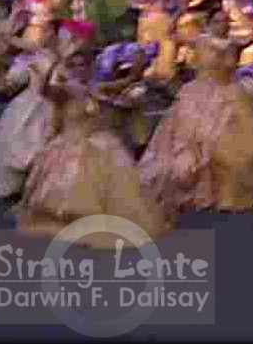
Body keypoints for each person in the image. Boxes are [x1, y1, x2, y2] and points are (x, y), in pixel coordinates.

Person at [17, 21, 170, 248]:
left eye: (84, 64)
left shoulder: (96, 88)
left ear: (89, 67)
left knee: (113, 185)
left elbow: (126, 82)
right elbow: (45, 90)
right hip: (69, 147)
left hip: (99, 146)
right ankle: (70, 219)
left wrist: (139, 64)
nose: (80, 68)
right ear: (68, 67)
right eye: (75, 64)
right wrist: (52, 62)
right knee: (72, 183)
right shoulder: (64, 91)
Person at [139, 6, 253, 215]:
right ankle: (199, 186)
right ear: (209, 23)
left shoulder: (233, 45)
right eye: (216, 20)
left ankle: (225, 190)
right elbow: (170, 34)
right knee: (196, 142)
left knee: (234, 143)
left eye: (224, 21)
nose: (222, 24)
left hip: (229, 95)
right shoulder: (200, 41)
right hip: (198, 97)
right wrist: (179, 9)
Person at [0, 30, 60, 199]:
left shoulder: (65, 59)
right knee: (22, 138)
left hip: (55, 103)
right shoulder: (33, 58)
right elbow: (14, 81)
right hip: (33, 102)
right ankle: (23, 183)